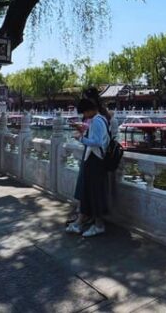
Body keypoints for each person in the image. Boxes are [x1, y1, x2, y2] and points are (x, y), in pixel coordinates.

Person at [67, 98, 110, 237]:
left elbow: (97, 142)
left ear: (90, 110)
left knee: (95, 193)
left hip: (96, 160)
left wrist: (80, 139)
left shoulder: (97, 121)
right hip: (93, 160)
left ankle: (99, 225)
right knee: (90, 192)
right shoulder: (100, 119)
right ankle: (84, 221)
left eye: (85, 112)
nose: (84, 115)